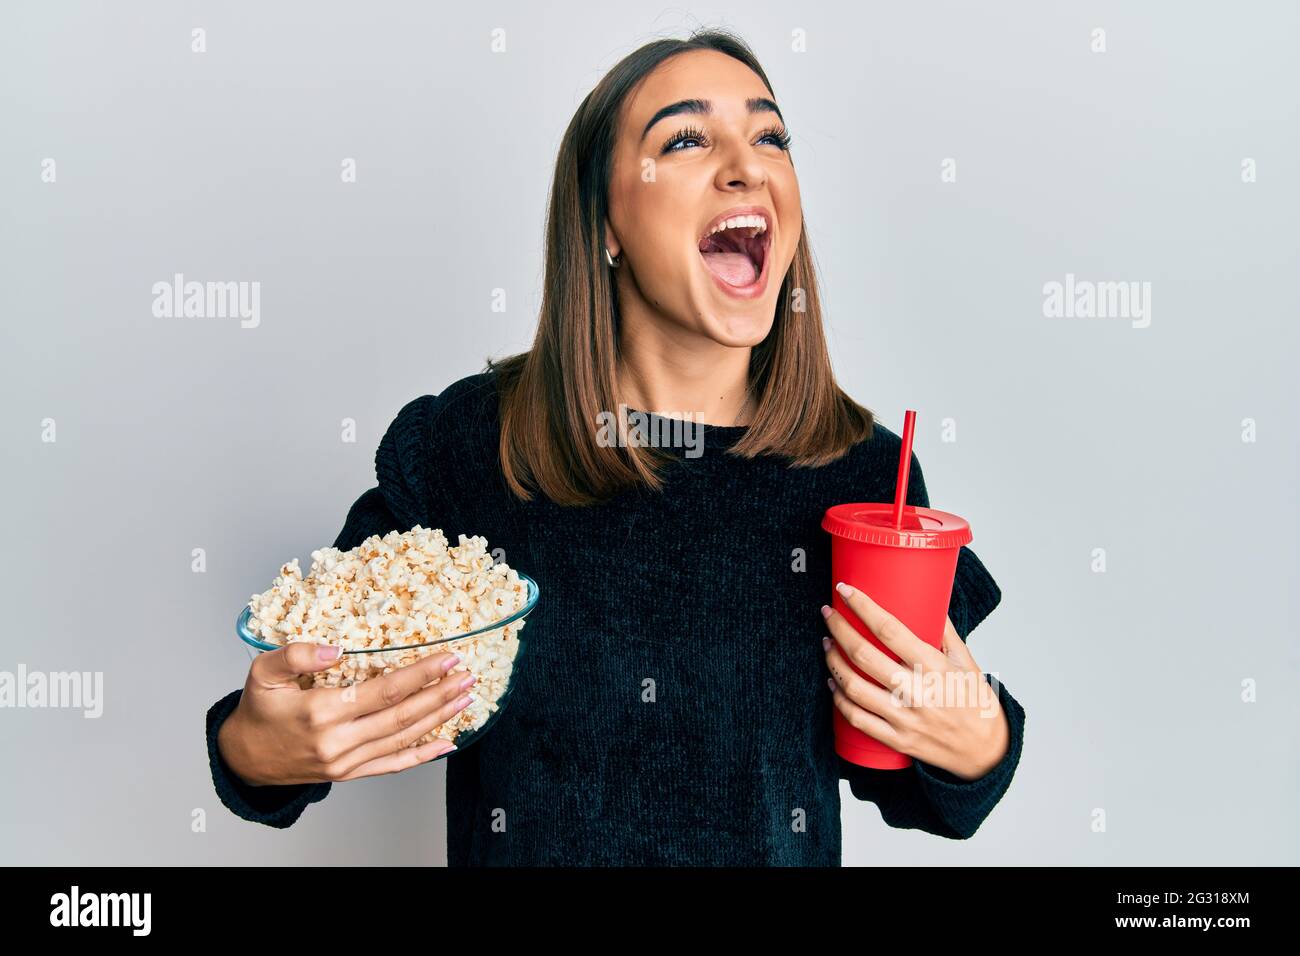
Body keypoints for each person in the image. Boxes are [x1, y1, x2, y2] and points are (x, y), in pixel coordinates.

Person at [208, 28, 1025, 865]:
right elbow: (300, 716)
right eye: (685, 138)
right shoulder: (467, 447)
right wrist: (254, 750)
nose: (748, 164)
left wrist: (979, 741)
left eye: (770, 135)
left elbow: (920, 783)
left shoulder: (863, 477)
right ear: (605, 221)